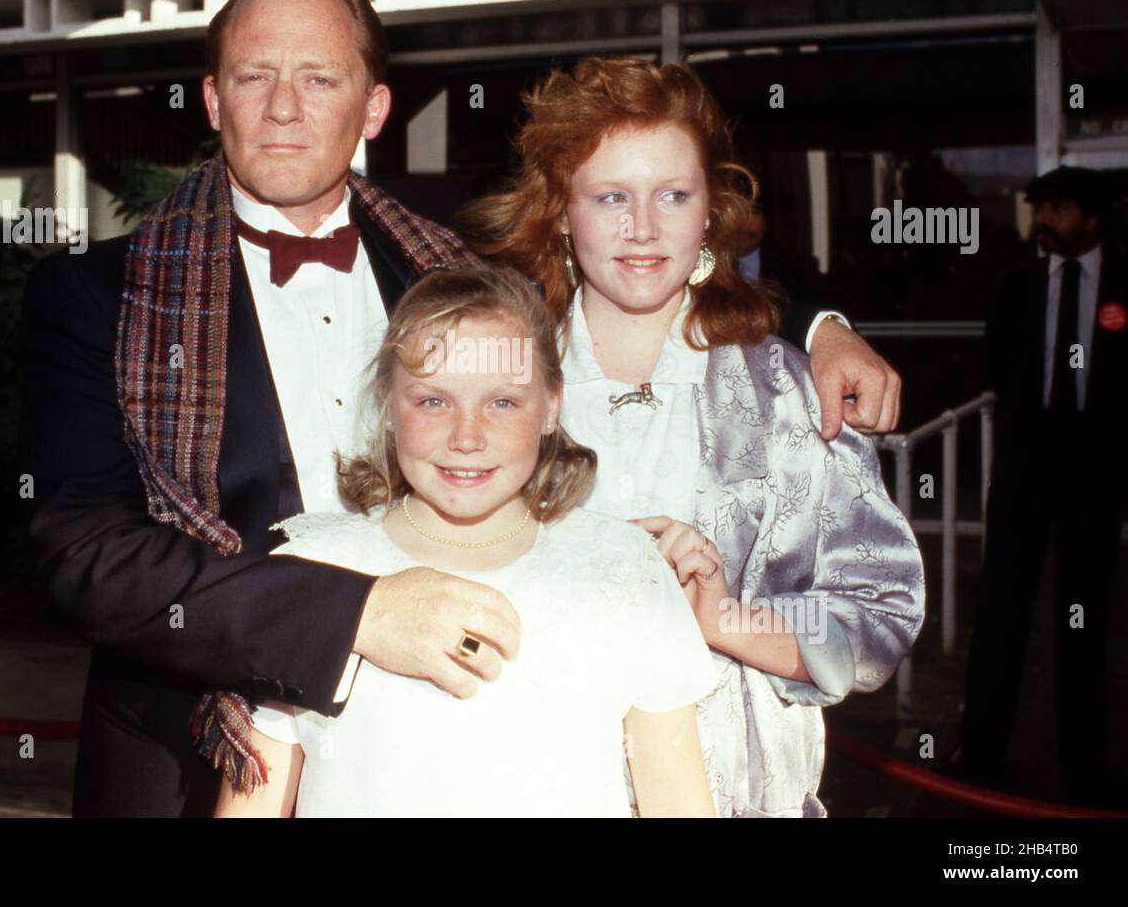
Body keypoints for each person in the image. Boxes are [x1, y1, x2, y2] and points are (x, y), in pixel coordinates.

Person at [20, 0, 905, 817]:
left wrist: (815, 332)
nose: (285, 109)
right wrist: (354, 613)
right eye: (254, 77)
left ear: (374, 108)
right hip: (198, 752)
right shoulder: (104, 295)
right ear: (213, 100)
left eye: (320, 78)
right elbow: (83, 556)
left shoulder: (444, 263)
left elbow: (637, 268)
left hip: (466, 742)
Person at [458, 56, 926, 816]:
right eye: (610, 197)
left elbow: (877, 609)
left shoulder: (792, 393)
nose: (642, 229)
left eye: (673, 195)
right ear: (560, 211)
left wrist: (727, 621)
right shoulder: (492, 386)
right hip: (531, 782)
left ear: (709, 211)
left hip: (740, 794)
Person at [214, 266, 719, 817]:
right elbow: (252, 805)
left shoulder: (625, 571)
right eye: (433, 401)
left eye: (502, 402)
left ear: (551, 405)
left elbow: (679, 803)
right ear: (387, 401)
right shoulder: (313, 571)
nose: (467, 436)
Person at [957, 166, 1125, 805]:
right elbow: (1000, 369)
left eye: (1058, 208)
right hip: (1027, 474)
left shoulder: (1121, 285)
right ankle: (981, 756)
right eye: (1040, 207)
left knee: (1083, 620)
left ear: (1093, 217)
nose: (1044, 219)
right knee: (1002, 612)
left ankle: (1084, 771)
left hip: (1093, 478)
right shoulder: (1017, 287)